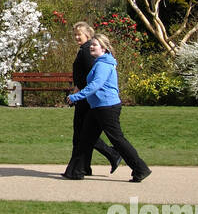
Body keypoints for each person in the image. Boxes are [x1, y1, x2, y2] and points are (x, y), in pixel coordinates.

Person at [64, 33, 153, 183]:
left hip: (107, 107)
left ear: (104, 48)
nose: (91, 47)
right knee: (85, 138)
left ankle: (140, 168)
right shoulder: (100, 62)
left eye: (95, 45)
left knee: (117, 139)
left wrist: (75, 97)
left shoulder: (104, 64)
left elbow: (96, 85)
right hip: (97, 107)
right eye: (91, 44)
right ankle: (75, 171)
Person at [61, 21, 122, 178]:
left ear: (87, 34)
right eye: (74, 34)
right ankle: (83, 167)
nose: (76, 37)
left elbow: (93, 76)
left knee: (83, 134)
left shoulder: (87, 51)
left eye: (78, 34)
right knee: (83, 134)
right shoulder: (84, 50)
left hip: (87, 98)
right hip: (85, 95)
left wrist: (80, 90)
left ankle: (108, 156)